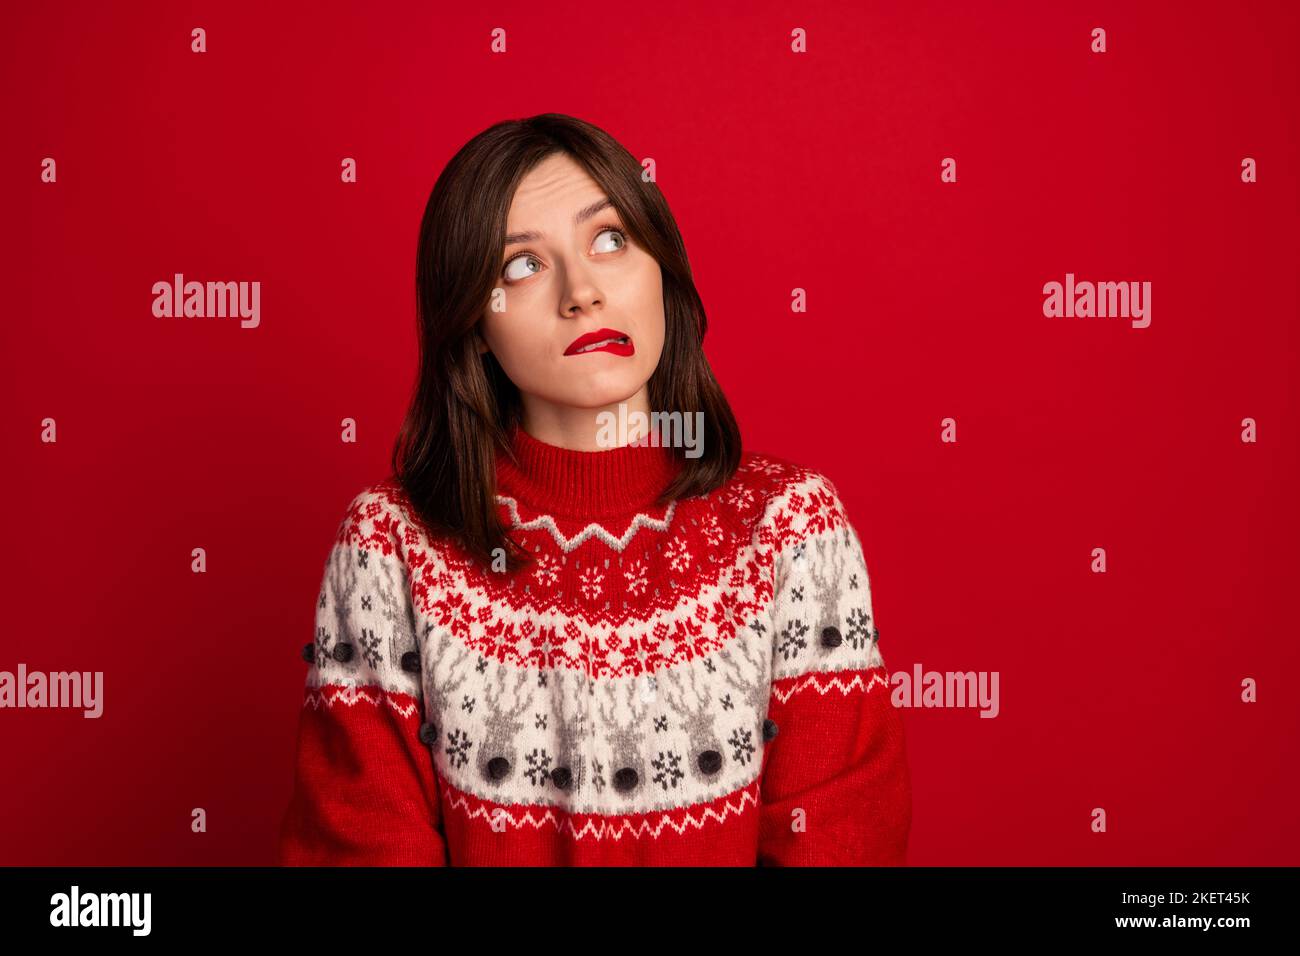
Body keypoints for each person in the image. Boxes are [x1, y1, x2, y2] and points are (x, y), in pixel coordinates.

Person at [276, 113, 911, 866]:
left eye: (610, 240)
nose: (582, 292)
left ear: (661, 269)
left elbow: (843, 842)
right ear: (475, 323)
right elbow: (361, 846)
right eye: (522, 266)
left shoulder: (791, 528)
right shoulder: (390, 546)